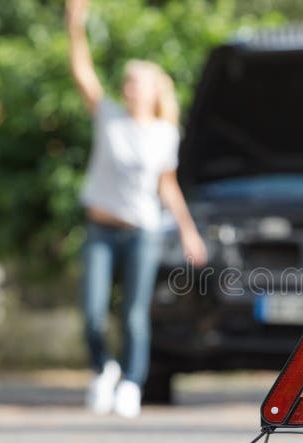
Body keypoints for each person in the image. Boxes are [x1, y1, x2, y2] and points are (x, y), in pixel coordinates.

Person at [66, 0, 207, 417]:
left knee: (133, 315)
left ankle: (131, 381)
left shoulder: (166, 133)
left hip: (142, 231)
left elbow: (168, 186)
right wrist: (76, 27)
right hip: (100, 230)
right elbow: (83, 74)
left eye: (136, 83)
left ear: (153, 91)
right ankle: (104, 368)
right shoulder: (108, 118)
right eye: (126, 82)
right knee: (92, 313)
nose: (128, 88)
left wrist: (188, 230)